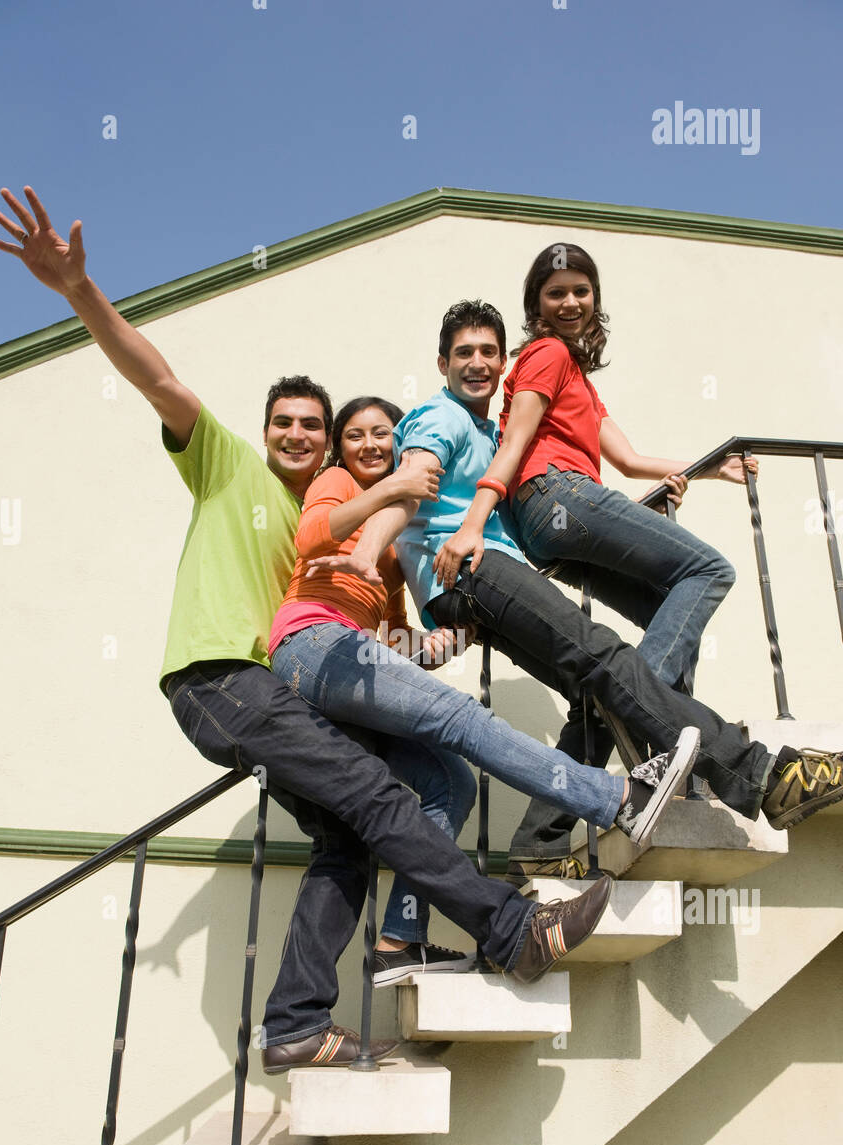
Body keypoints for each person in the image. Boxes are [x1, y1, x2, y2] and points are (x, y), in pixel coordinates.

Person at [0, 188, 615, 1075]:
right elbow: (156, 377)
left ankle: (295, 1023)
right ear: (266, 429)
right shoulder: (227, 464)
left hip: (280, 689)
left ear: (327, 446)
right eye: (284, 422)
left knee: (351, 834)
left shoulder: (323, 514)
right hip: (221, 678)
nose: (295, 434)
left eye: (310, 428)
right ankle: (512, 929)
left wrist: (438, 621)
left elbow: (371, 605)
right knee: (381, 798)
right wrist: (80, 291)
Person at [306, 300, 843, 846]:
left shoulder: (487, 433)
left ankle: (539, 845)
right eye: (463, 352)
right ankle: (760, 774)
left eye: (489, 352)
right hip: (473, 570)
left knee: (596, 694)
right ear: (441, 363)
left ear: (502, 362)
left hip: (480, 583)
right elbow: (412, 482)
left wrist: (635, 512)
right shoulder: (437, 418)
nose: (477, 362)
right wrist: (367, 551)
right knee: (605, 656)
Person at [269, 395, 700, 981]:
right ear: (340, 449)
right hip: (311, 643)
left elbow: (393, 643)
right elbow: (313, 533)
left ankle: (400, 939)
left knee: (449, 783)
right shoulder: (340, 482)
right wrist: (393, 487)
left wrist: (432, 646)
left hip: (345, 660)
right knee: (462, 720)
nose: (369, 445)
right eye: (355, 436)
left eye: (381, 434)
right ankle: (618, 801)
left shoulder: (393, 551)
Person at [434, 247, 758, 876]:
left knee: (664, 616)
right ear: (538, 306)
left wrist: (703, 468)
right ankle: (656, 732)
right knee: (709, 570)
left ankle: (543, 833)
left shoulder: (576, 376)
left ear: (595, 297)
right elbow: (518, 441)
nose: (571, 302)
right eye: (556, 293)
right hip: (556, 495)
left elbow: (631, 461)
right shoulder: (546, 355)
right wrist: (474, 522)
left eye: (581, 290)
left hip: (557, 516)